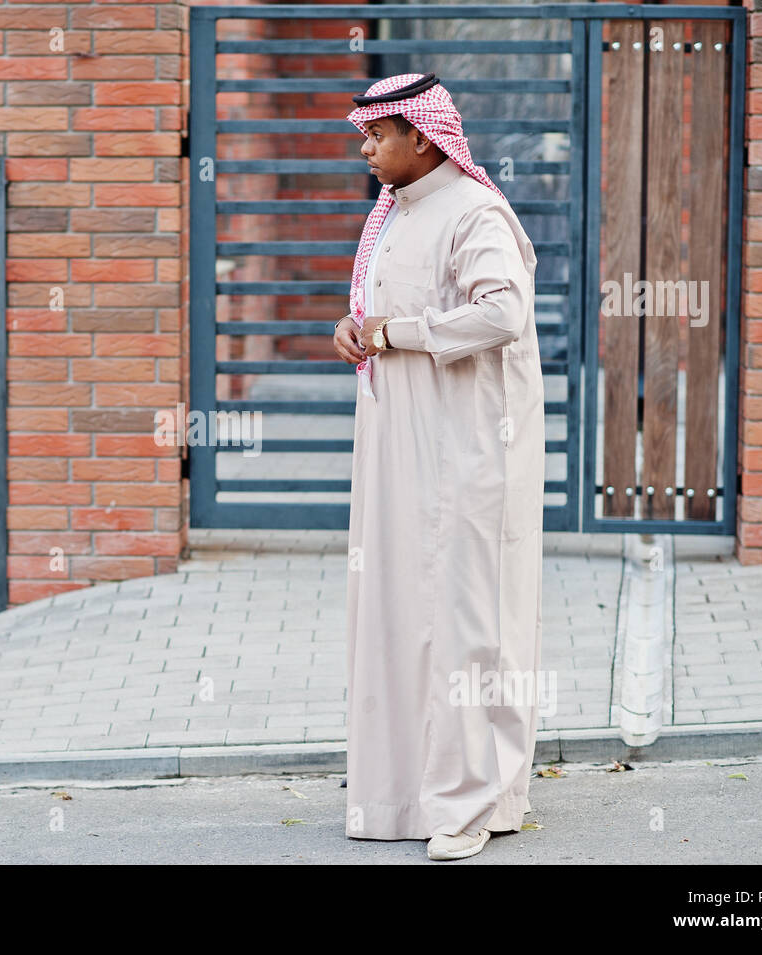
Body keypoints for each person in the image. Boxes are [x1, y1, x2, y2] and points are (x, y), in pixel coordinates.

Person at [332, 72, 546, 861]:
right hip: (399, 459)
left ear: (421, 135)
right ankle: (398, 795)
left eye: (376, 135)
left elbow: (502, 312)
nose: (366, 149)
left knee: (463, 630)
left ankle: (471, 805)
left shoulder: (475, 212)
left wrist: (397, 333)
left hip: (468, 459)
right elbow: (376, 312)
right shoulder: (395, 212)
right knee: (396, 617)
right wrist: (352, 331)